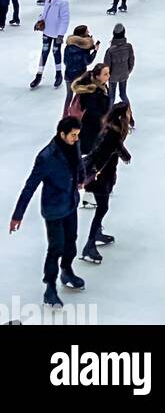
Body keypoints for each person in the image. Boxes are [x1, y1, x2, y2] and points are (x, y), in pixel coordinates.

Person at [9, 117, 85, 309]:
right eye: (73, 135)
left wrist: (81, 179)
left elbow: (78, 164)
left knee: (71, 242)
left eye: (78, 135)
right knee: (56, 247)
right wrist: (18, 215)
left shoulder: (75, 143)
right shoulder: (46, 157)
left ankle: (66, 270)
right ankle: (49, 287)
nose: (76, 139)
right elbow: (30, 187)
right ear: (62, 134)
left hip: (70, 203)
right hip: (53, 210)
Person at [79, 103, 132, 265]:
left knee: (103, 207)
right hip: (100, 178)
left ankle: (96, 235)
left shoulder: (109, 128)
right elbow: (121, 152)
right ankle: (89, 244)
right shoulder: (113, 135)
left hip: (101, 176)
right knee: (103, 208)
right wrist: (126, 155)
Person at [30, 0, 70, 89]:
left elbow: (65, 19)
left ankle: (58, 74)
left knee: (56, 52)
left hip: (57, 33)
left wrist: (61, 34)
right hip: (47, 31)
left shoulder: (62, 2)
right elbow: (44, 13)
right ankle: (38, 75)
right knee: (44, 52)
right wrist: (39, 21)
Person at [63, 26, 99, 112]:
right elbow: (88, 61)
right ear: (82, 34)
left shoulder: (68, 47)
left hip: (68, 75)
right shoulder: (84, 48)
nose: (88, 32)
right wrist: (95, 51)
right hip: (80, 76)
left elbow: (65, 61)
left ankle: (65, 114)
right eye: (87, 31)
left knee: (69, 96)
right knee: (80, 97)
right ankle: (77, 115)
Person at [103, 23, 135, 119]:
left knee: (111, 97)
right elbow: (131, 61)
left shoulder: (110, 51)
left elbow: (106, 66)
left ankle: (107, 118)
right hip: (124, 75)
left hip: (112, 77)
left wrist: (107, 76)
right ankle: (130, 116)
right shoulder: (128, 47)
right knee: (123, 94)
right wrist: (127, 72)